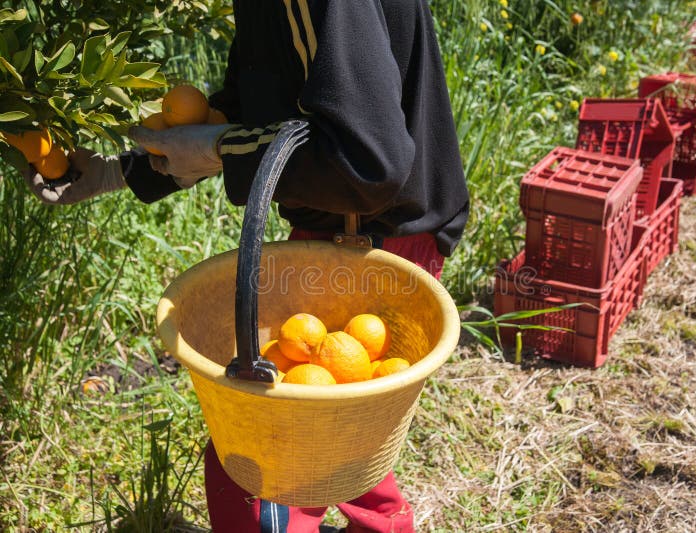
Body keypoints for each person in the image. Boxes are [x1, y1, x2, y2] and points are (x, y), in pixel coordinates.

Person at [25, 1, 469, 531]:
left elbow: (366, 160)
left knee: (269, 460)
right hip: (362, 228)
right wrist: (122, 171)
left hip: (369, 241)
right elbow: (263, 102)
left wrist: (219, 148)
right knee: (342, 418)